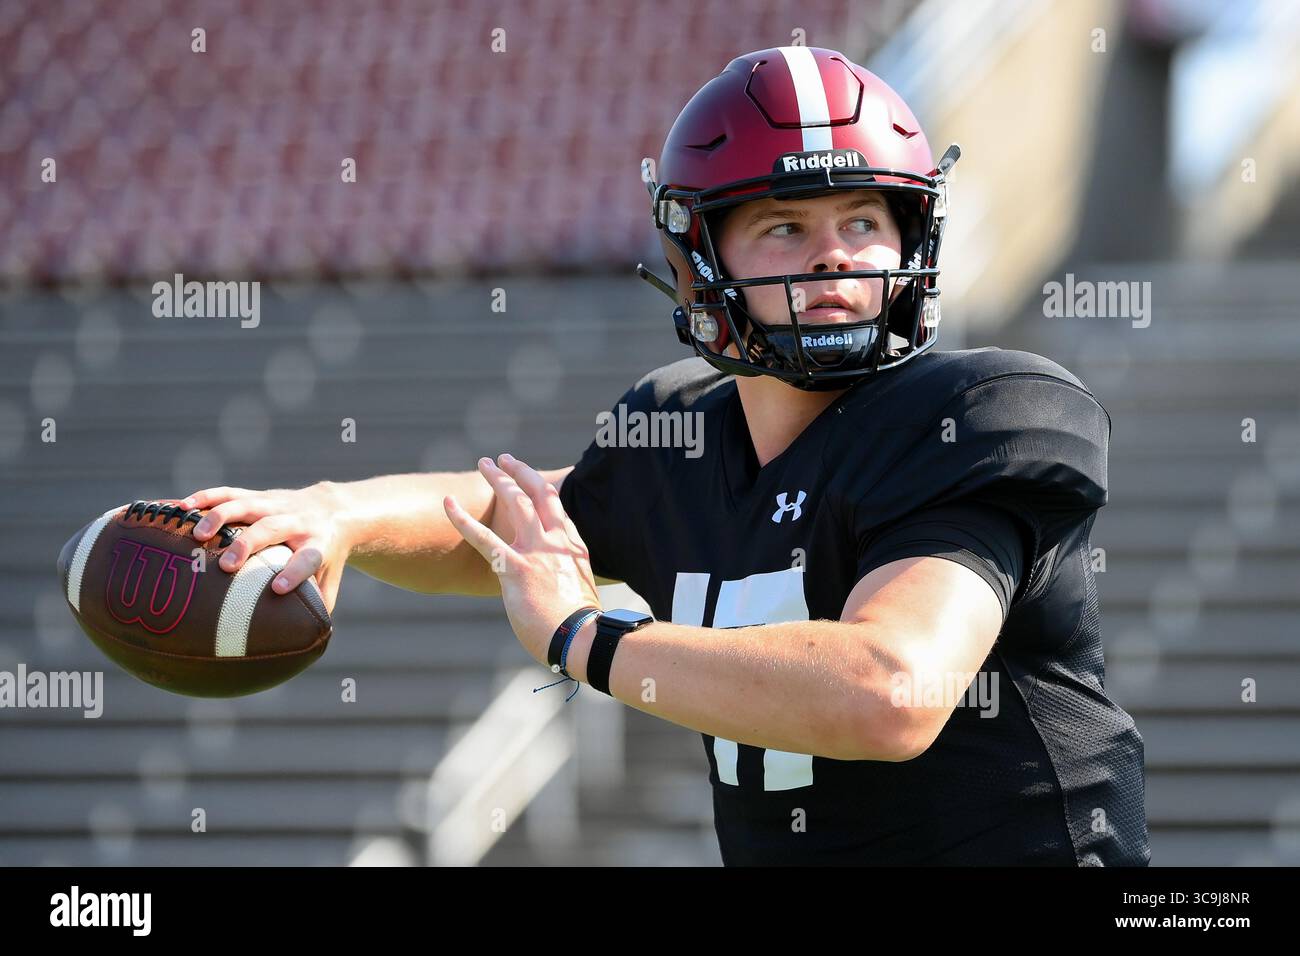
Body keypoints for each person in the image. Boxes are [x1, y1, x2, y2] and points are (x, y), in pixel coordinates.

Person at [183, 47, 1150, 865]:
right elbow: (520, 520)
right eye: (785, 226)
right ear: (700, 263)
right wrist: (338, 514)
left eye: (863, 221)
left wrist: (583, 639)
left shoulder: (980, 413)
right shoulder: (681, 433)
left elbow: (892, 691)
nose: (835, 256)